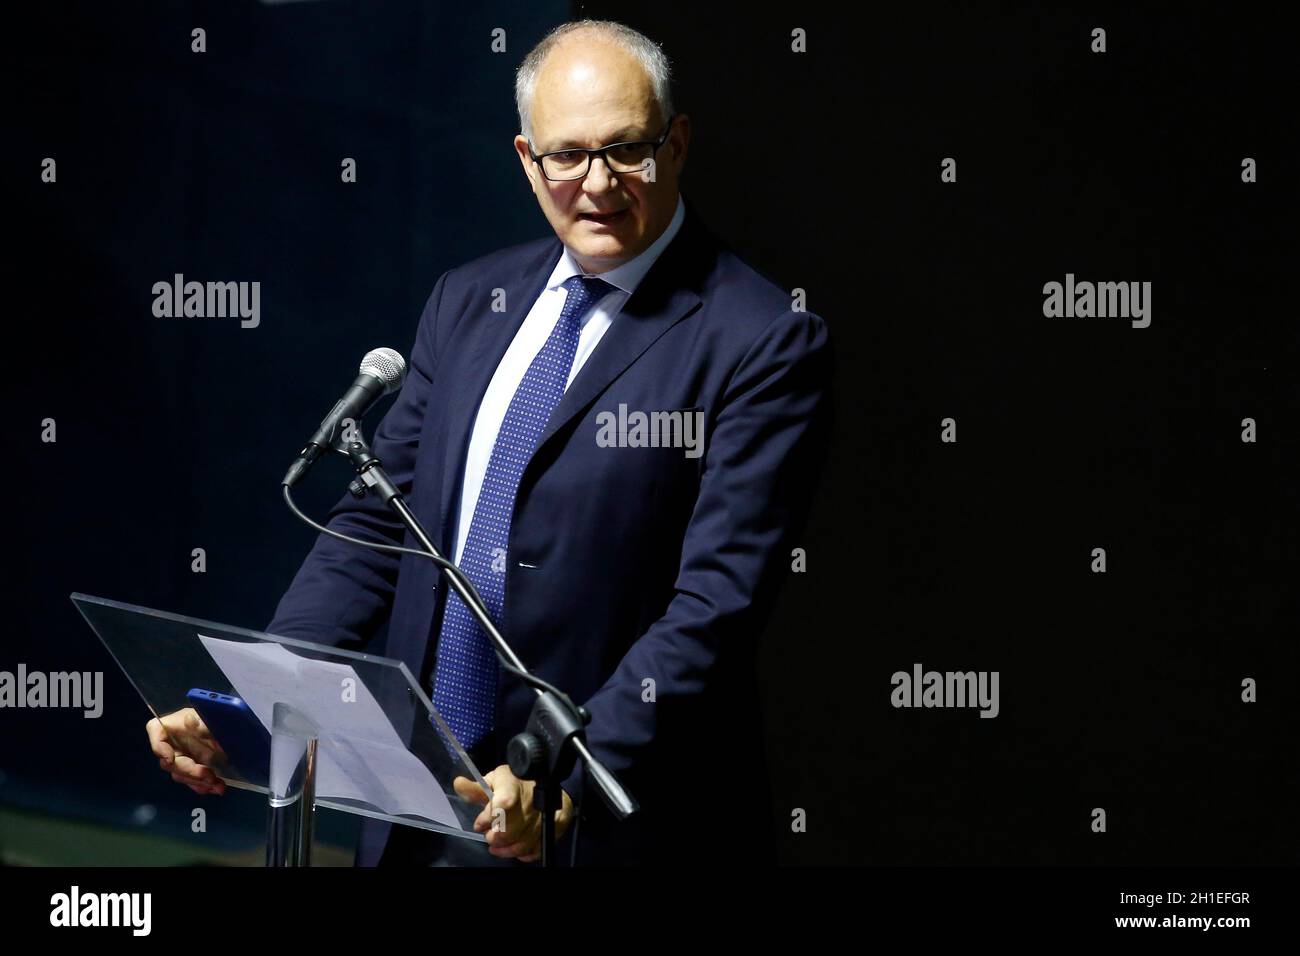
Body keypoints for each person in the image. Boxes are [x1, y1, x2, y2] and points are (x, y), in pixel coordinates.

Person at [148, 18, 832, 866]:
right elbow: (378, 529)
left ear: (677, 144)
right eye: (567, 155)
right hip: (421, 808)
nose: (597, 183)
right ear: (525, 159)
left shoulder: (763, 338)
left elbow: (715, 608)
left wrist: (565, 775)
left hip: (600, 824)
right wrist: (249, 705)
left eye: (627, 151)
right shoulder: (469, 301)